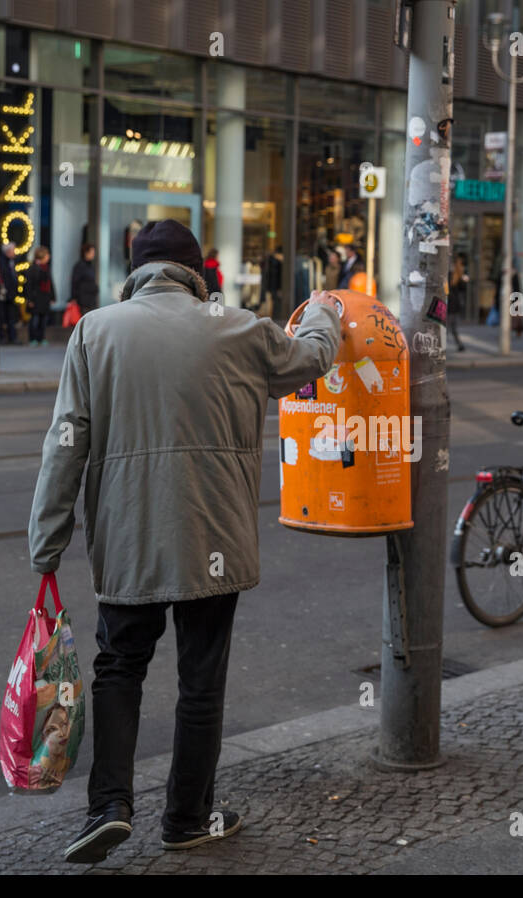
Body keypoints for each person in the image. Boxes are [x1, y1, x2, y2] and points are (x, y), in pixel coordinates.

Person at [28, 219, 341, 863]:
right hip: (212, 537)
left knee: (119, 667)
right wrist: (325, 312)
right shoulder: (239, 327)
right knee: (201, 681)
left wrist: (47, 543)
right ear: (197, 274)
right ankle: (187, 818)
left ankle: (109, 805)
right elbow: (311, 359)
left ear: (135, 271)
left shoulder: (95, 331)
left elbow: (65, 446)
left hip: (128, 538)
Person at [23, 246, 55, 346]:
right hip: (36, 298)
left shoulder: (46, 268)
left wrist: (53, 297)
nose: (49, 257)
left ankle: (41, 338)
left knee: (43, 320)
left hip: (45, 298)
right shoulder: (33, 268)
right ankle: (33, 339)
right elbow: (28, 285)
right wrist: (30, 300)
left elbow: (50, 283)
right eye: (47, 255)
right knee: (34, 320)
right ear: (42, 256)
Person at [0, 241, 20, 345]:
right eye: (13, 251)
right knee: (2, 316)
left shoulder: (12, 262)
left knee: (11, 316)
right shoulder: (2, 263)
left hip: (11, 293)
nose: (14, 253)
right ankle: (2, 337)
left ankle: (12, 336)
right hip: (4, 293)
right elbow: (4, 278)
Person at [69, 243, 99, 316]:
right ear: (86, 253)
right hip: (83, 300)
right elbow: (74, 282)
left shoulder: (90, 265)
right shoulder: (80, 266)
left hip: (91, 299)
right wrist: (74, 297)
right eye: (91, 253)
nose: (93, 255)